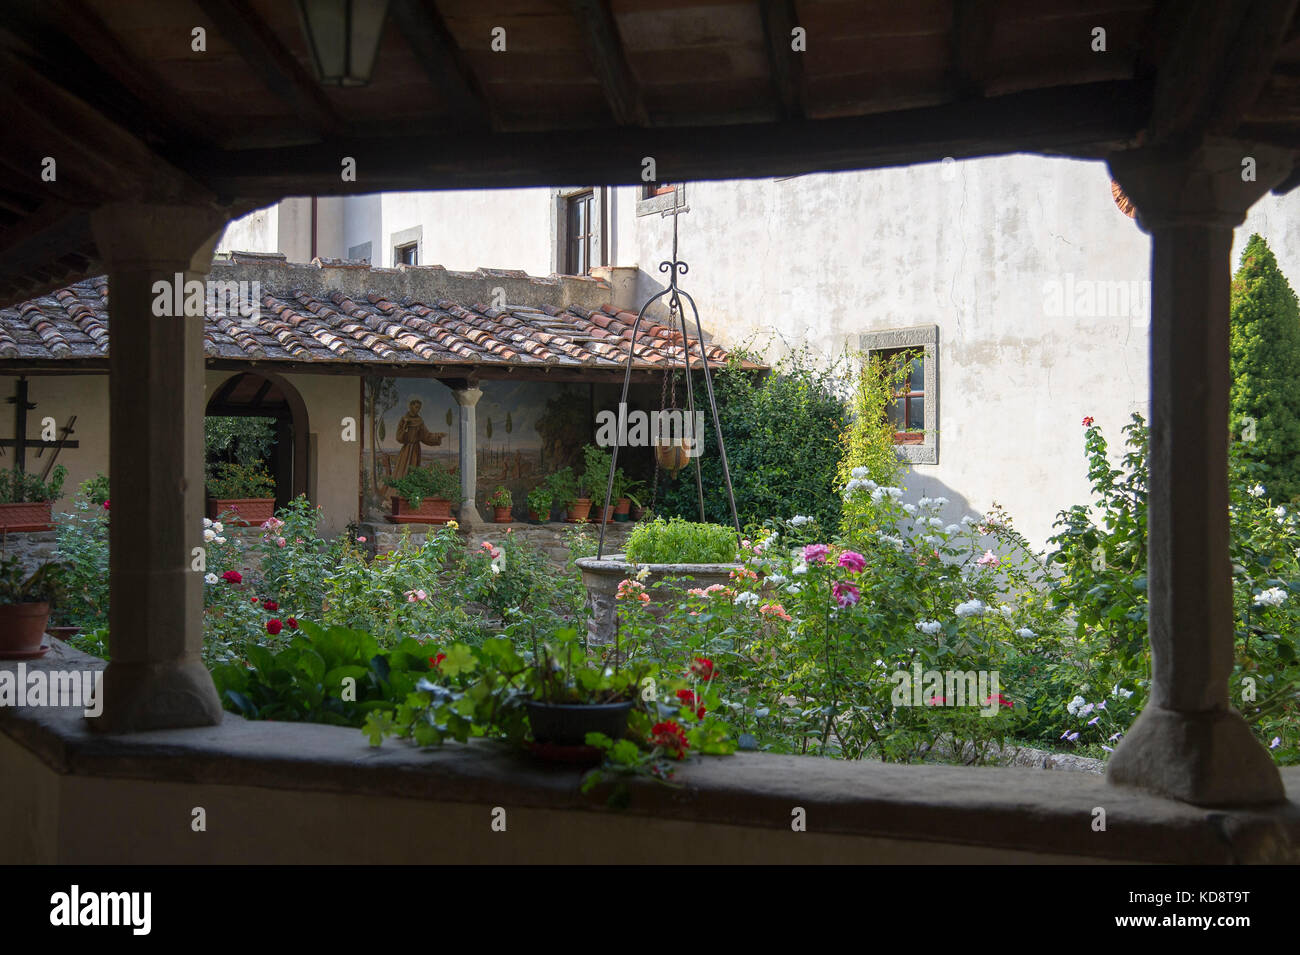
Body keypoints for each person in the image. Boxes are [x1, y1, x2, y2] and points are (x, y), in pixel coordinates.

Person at [392, 399, 445, 480]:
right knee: (403, 470)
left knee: (414, 470)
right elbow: (398, 437)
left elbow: (426, 436)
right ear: (411, 407)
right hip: (406, 450)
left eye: (419, 408)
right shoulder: (404, 419)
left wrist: (438, 436)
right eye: (416, 407)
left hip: (416, 450)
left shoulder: (420, 421)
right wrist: (404, 427)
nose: (418, 409)